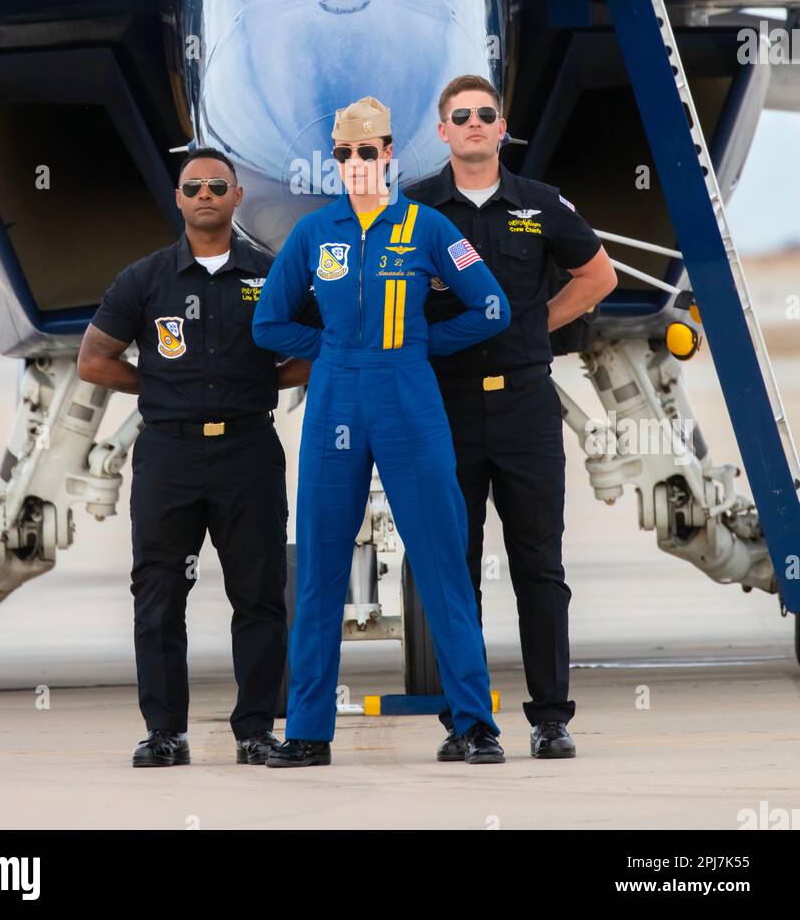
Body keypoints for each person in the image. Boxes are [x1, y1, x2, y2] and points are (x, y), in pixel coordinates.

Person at [252, 95, 512, 767]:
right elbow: (268, 323)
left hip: (408, 392)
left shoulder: (427, 229)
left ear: (389, 154)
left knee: (440, 561)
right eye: (343, 154)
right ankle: (308, 732)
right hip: (336, 394)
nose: (355, 163)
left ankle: (473, 725)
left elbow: (491, 306)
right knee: (318, 568)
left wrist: (421, 341)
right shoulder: (315, 234)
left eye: (367, 152)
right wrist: (334, 347)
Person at [77, 147, 318, 767]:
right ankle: (165, 733)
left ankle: (256, 731)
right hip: (169, 455)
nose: (205, 193)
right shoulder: (145, 279)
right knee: (158, 595)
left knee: (259, 595)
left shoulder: (274, 274)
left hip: (247, 452)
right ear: (179, 200)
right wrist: (157, 390)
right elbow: (94, 359)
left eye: (218, 184)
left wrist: (262, 388)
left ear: (238, 197)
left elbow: (318, 348)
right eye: (193, 186)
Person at [404, 74, 617, 760]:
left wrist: (532, 326)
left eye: (484, 115)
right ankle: (466, 724)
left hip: (524, 403)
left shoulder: (540, 204)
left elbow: (597, 277)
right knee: (452, 566)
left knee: (538, 565)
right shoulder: (413, 213)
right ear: (441, 132)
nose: (472, 124)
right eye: (458, 116)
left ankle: (550, 717)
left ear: (501, 129)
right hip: (446, 405)